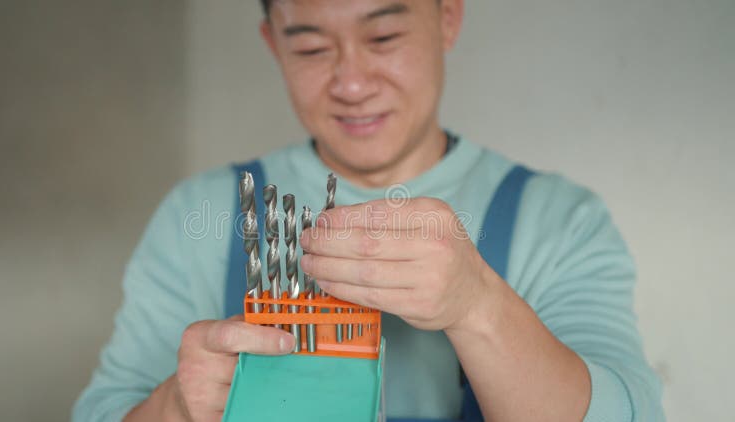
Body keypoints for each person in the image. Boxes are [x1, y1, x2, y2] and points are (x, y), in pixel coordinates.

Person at [73, 1, 664, 421]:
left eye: (383, 38)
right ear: (272, 43)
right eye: (309, 47)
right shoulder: (198, 215)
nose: (351, 83)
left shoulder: (559, 220)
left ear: (448, 17)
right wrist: (174, 408)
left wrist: (477, 305)